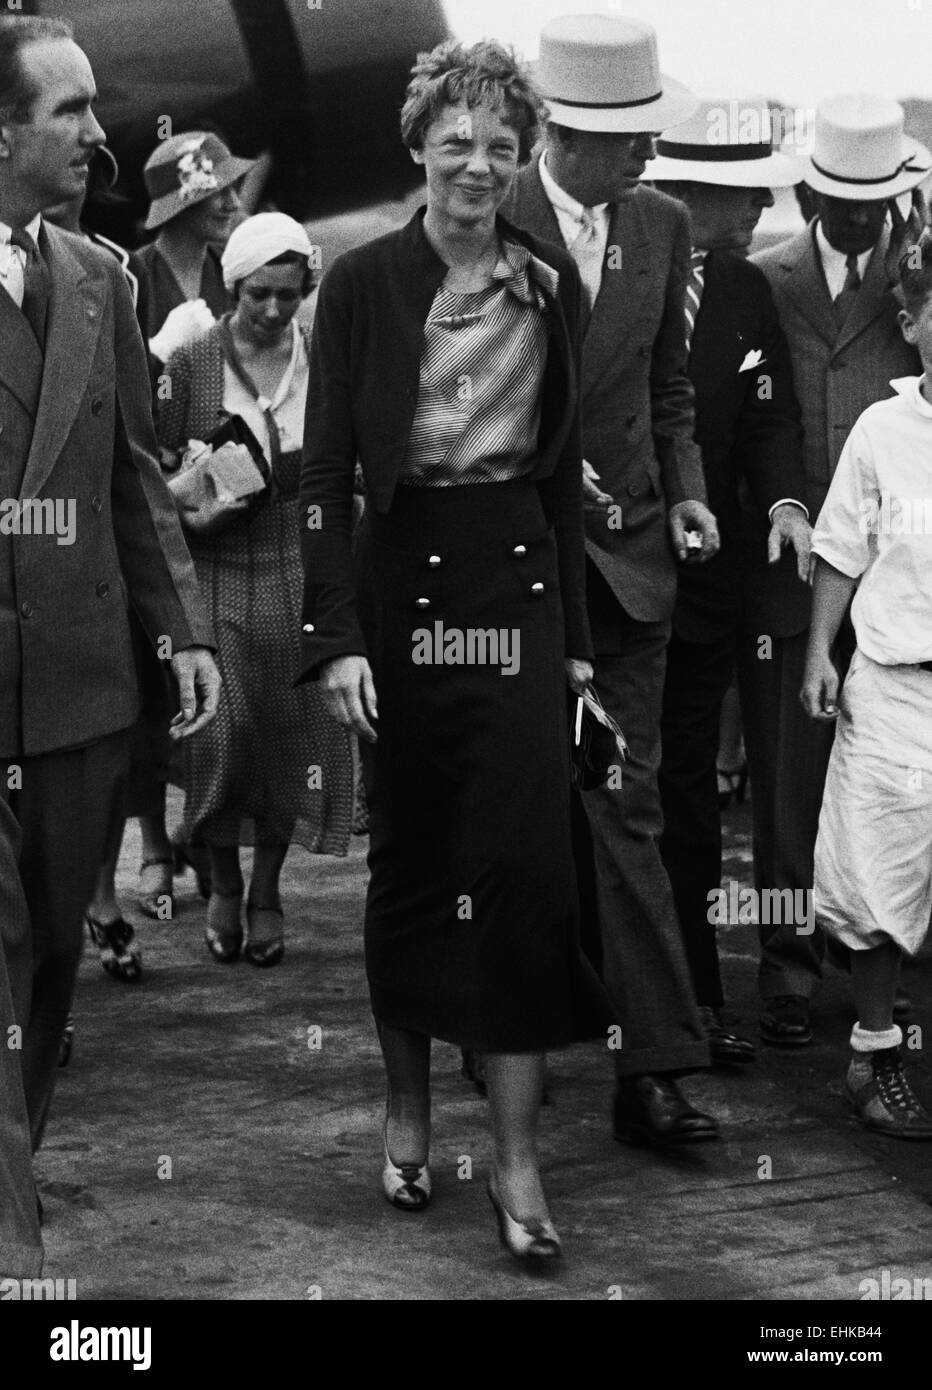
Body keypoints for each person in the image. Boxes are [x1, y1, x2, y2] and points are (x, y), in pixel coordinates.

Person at [299, 38, 612, 1261]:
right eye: (454, 140)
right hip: (405, 597)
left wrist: (577, 653)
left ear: (521, 155)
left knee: (528, 872)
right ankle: (407, 1107)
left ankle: (521, 1167)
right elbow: (324, 478)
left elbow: (556, 484)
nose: (475, 163)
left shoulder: (547, 284)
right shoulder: (362, 283)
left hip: (519, 594)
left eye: (499, 144)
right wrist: (333, 636)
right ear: (416, 145)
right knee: (418, 864)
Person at [0, 15, 218, 1278]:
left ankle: (9, 1173)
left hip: (83, 690)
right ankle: (13, 1235)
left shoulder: (101, 278)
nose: (98, 132)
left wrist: (180, 633)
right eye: (70, 111)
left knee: (49, 961)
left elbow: (136, 479)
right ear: (4, 131)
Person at [502, 14, 721, 1145]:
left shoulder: (664, 223)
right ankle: (500, 1055)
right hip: (517, 574)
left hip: (632, 568)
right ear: (567, 134)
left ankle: (652, 1068)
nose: (648, 155)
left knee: (623, 805)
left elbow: (668, 386)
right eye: (631, 138)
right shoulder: (483, 218)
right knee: (513, 814)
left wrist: (682, 487)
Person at [746, 94, 930, 1046]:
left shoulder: (914, 291)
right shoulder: (764, 280)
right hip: (794, 570)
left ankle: (882, 968)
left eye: (874, 202)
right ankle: (784, 965)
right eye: (840, 199)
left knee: (892, 785)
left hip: (896, 572)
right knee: (787, 781)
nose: (856, 217)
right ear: (809, 190)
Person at [647, 98, 811, 1065]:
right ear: (685, 189)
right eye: (738, 194)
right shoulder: (616, 270)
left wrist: (784, 504)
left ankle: (694, 998)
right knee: (598, 782)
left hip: (707, 590)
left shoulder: (746, 292)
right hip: (606, 577)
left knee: (686, 790)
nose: (755, 209)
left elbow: (767, 418)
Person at [159, 213, 355, 967]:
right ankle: (223, 882)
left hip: (301, 562)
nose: (274, 311)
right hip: (215, 568)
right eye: (258, 296)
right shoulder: (194, 358)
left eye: (288, 294)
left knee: (289, 732)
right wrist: (197, 492)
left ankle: (268, 887)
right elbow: (149, 464)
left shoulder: (324, 356)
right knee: (222, 731)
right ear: (233, 287)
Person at [801, 232, 932, 1138]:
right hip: (894, 686)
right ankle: (875, 1053)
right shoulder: (882, 430)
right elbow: (841, 550)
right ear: (916, 325)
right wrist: (819, 654)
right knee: (880, 881)